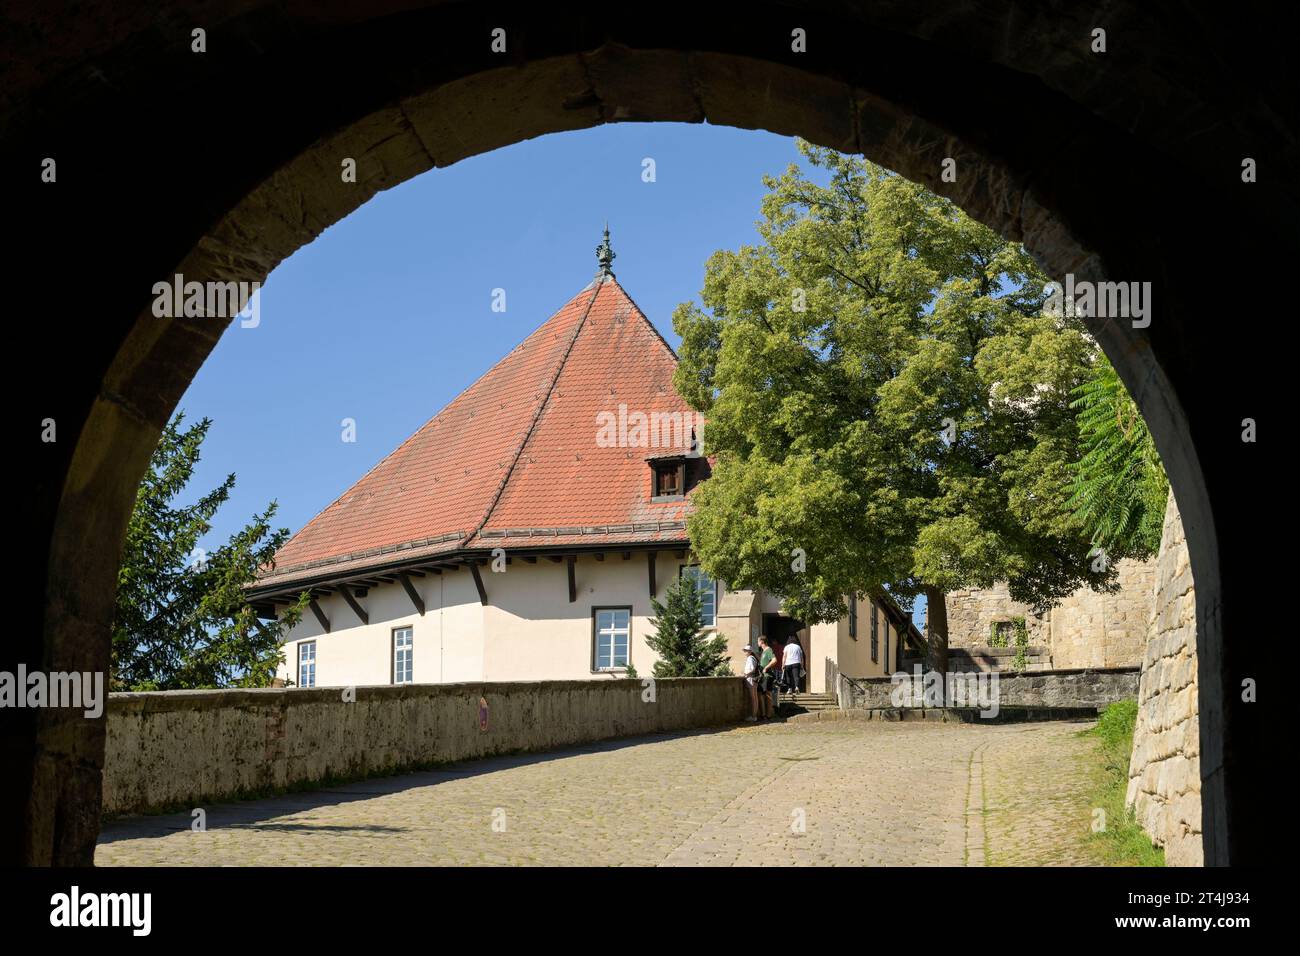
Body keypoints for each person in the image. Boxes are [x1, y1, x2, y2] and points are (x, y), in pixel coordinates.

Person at [757, 636, 779, 718]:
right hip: (763, 676)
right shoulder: (763, 651)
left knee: (768, 694)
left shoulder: (768, 650)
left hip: (767, 676)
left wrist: (766, 667)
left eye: (758, 641)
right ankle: (763, 714)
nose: (757, 643)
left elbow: (774, 660)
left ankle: (768, 714)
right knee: (760, 694)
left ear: (762, 641)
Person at [742, 645, 760, 721]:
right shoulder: (753, 658)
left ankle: (753, 716)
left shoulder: (750, 658)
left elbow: (752, 669)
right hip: (754, 679)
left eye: (746, 651)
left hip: (751, 679)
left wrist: (746, 674)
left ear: (749, 651)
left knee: (753, 698)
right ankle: (754, 715)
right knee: (755, 698)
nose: (745, 652)